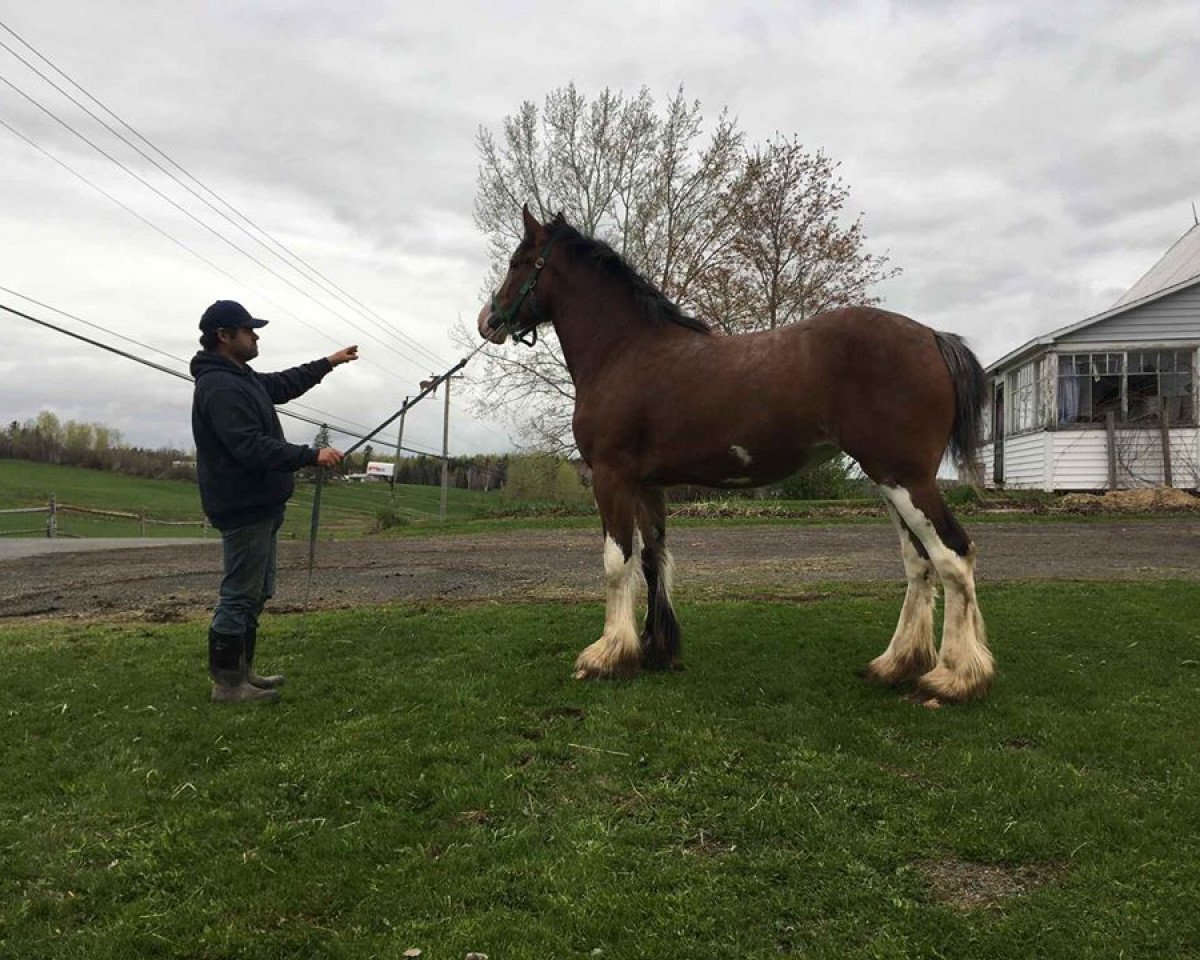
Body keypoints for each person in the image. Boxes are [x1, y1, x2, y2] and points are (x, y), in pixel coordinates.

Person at [191, 300, 358, 704]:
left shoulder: (240, 376)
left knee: (258, 590)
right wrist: (309, 455)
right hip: (242, 505)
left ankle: (242, 672)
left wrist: (329, 362)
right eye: (248, 330)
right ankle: (228, 684)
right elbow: (249, 447)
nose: (256, 335)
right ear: (224, 336)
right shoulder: (220, 386)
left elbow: (283, 384)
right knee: (239, 594)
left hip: (262, 504)